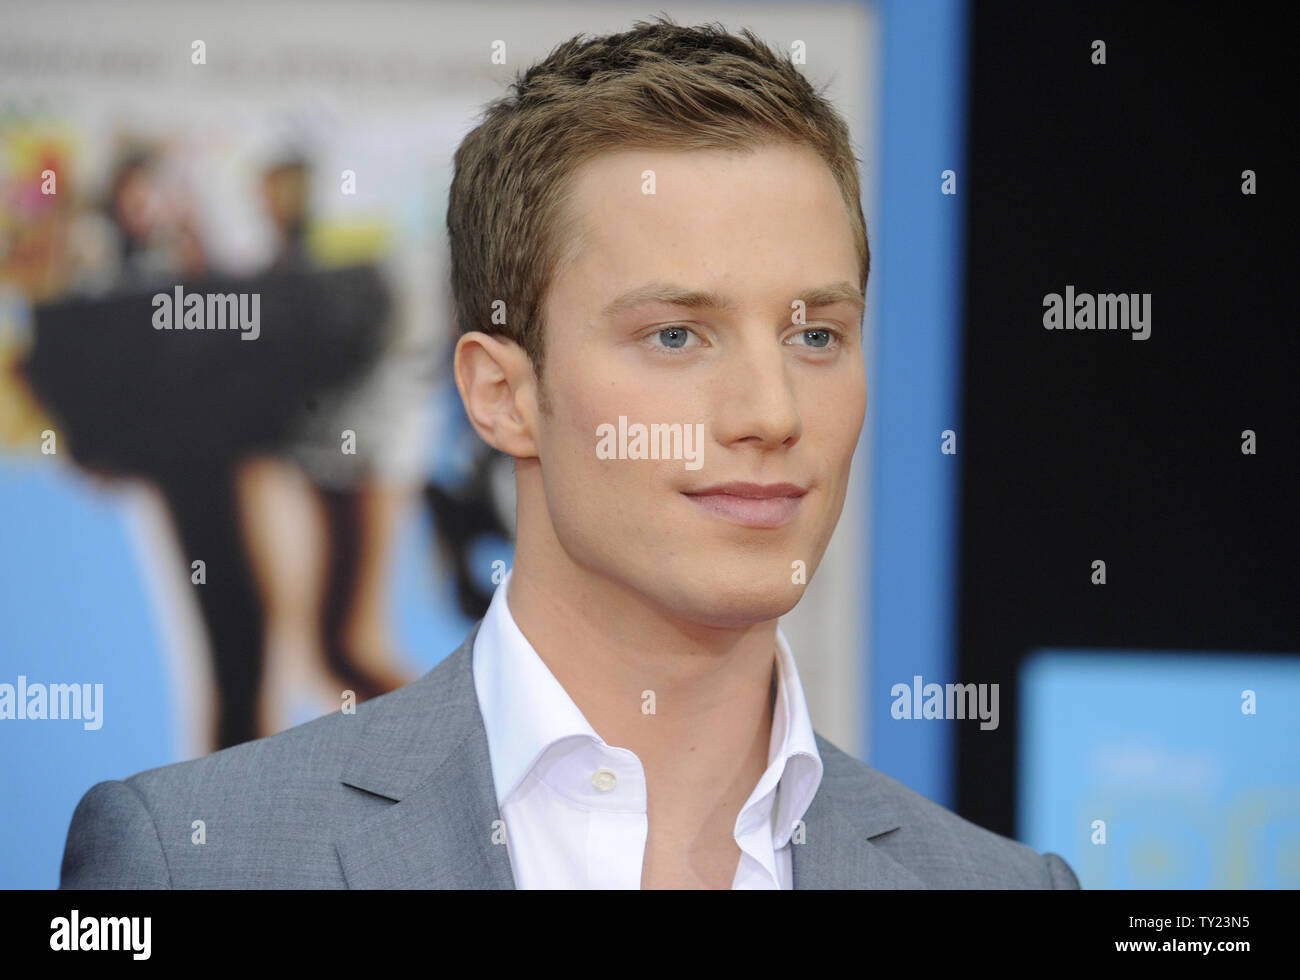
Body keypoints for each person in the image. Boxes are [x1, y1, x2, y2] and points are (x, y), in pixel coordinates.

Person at [60, 18, 1080, 889]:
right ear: (501, 394)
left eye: (815, 334)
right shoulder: (194, 860)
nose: (770, 412)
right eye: (675, 334)